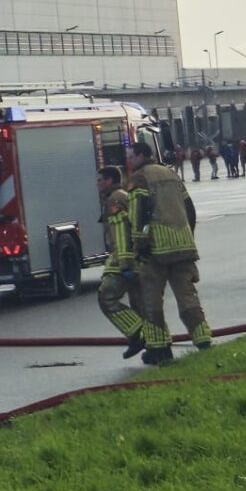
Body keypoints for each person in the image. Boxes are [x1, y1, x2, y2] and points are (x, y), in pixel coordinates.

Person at [125, 141, 213, 364]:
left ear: (142, 155)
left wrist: (140, 244)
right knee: (187, 297)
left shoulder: (138, 178)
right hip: (183, 247)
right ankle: (203, 340)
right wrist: (188, 235)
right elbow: (189, 208)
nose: (129, 161)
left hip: (156, 250)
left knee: (151, 301)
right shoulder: (171, 174)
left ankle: (159, 349)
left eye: (131, 156)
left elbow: (138, 214)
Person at [96, 164, 146, 359]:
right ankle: (154, 344)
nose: (98, 184)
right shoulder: (122, 195)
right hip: (137, 258)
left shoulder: (115, 199)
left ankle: (137, 333)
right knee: (140, 304)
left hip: (125, 259)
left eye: (100, 180)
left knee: (106, 297)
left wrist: (124, 264)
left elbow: (121, 233)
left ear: (109, 180)